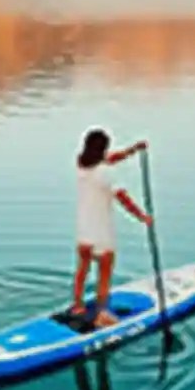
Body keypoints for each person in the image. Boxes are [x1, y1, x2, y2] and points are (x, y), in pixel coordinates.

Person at [72, 128, 152, 328]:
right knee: (104, 273)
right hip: (101, 232)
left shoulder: (81, 163)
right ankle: (102, 315)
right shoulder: (107, 173)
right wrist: (143, 217)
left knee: (82, 268)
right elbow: (123, 199)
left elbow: (110, 158)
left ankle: (78, 306)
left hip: (84, 229)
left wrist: (132, 150)